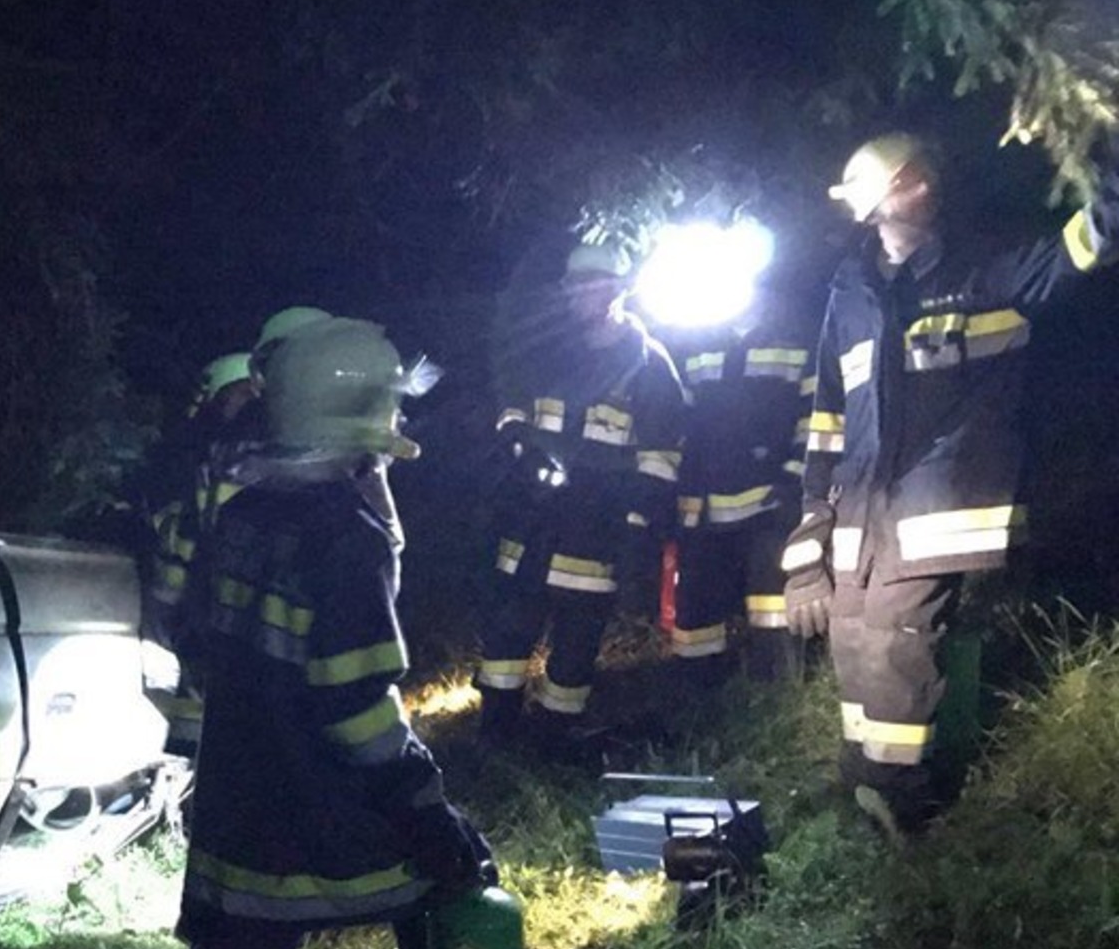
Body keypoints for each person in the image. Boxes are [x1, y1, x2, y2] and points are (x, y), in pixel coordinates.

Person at [165, 315, 490, 949]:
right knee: (445, 886)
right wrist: (427, 807)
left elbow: (196, 638)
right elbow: (357, 705)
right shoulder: (346, 539)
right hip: (329, 806)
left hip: (239, 802)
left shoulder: (237, 514)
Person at [787, 131, 1119, 836]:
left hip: (938, 503)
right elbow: (824, 419)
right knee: (850, 636)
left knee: (895, 639)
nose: (926, 187)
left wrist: (1104, 157)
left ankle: (904, 800)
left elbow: (1081, 248)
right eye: (911, 179)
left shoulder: (985, 270)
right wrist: (810, 533)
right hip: (860, 504)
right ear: (883, 199)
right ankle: (863, 784)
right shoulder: (850, 291)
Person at [475, 240, 687, 747]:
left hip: (597, 531)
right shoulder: (549, 353)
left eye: (590, 284)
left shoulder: (650, 367)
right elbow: (512, 404)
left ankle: (552, 736)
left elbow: (661, 457)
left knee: (576, 645)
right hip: (533, 521)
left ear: (620, 289)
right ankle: (496, 734)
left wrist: (637, 529)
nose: (577, 294)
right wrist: (519, 442)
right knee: (507, 633)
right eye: (572, 285)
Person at [142, 308, 333, 756]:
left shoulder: (225, 460)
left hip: (233, 669)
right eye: (237, 397)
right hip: (236, 675)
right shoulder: (235, 463)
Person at [667, 269, 822, 685]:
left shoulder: (797, 340)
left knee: (772, 607)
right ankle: (696, 706)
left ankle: (776, 702)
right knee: (696, 610)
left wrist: (792, 480)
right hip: (704, 505)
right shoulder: (696, 344)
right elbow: (680, 422)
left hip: (770, 502)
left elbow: (815, 419)